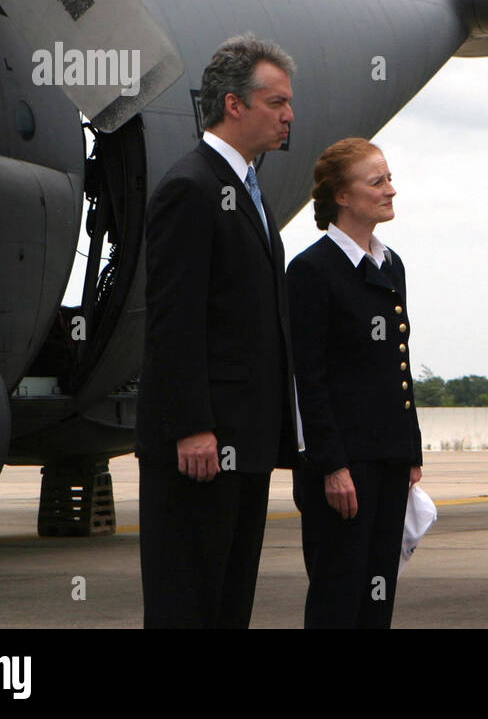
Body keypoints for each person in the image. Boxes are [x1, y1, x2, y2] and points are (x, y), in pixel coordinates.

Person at [136, 33, 299, 628]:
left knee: (229, 607)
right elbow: (174, 320)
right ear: (234, 105)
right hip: (200, 448)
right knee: (189, 606)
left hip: (243, 444)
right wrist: (192, 426)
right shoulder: (191, 187)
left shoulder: (247, 191)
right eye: (277, 102)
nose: (289, 116)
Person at [287, 138, 423, 628]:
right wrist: (331, 466)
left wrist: (411, 452)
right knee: (337, 596)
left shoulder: (390, 263)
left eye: (388, 179)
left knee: (377, 596)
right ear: (343, 197)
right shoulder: (311, 270)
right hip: (343, 463)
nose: (390, 190)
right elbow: (308, 377)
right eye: (377, 181)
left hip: (387, 456)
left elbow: (396, 366)